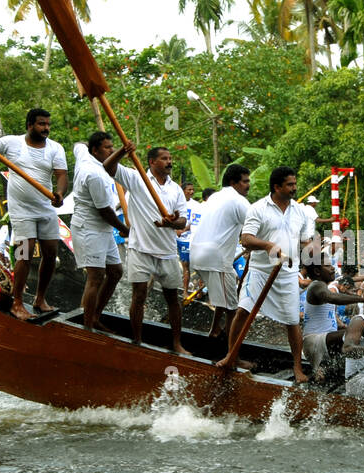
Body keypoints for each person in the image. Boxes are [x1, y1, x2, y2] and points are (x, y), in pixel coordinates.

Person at [220, 166, 313, 380]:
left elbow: (305, 241)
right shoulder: (258, 208)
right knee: (243, 311)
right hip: (261, 271)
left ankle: (298, 368)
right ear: (277, 187)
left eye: (294, 184)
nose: (294, 188)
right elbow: (246, 239)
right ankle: (231, 356)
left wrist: (314, 249)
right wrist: (268, 245)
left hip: (288, 274)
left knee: (292, 322)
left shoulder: (300, 211)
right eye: (290, 184)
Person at [104, 141, 189, 353]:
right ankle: (137, 341)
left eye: (170, 159)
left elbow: (183, 222)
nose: (169, 162)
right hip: (140, 248)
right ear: (152, 162)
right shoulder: (137, 178)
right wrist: (122, 152)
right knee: (139, 295)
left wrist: (171, 223)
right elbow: (107, 167)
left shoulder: (176, 189)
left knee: (173, 299)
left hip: (167, 250)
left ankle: (177, 343)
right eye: (164, 159)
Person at [0, 108, 69, 321]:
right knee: (24, 253)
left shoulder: (55, 148)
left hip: (46, 208)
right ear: (30, 125)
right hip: (21, 211)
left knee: (51, 253)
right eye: (42, 124)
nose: (46, 129)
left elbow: (61, 176)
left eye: (48, 125)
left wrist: (59, 193)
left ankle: (40, 299)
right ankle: (17, 302)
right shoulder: (10, 143)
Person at [71, 132, 129, 333]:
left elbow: (77, 144)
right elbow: (105, 211)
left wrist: (118, 153)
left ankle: (94, 316)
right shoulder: (95, 174)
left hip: (103, 230)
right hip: (89, 229)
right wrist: (125, 230)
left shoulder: (84, 154)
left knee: (116, 272)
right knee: (96, 276)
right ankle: (86, 328)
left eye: (113, 147)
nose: (111, 151)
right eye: (107, 148)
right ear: (95, 150)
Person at [190, 164, 252, 340]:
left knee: (225, 296)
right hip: (216, 259)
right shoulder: (238, 200)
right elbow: (257, 228)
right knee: (233, 306)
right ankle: (232, 355)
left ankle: (215, 330)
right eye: (245, 181)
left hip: (200, 254)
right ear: (234, 182)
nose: (248, 185)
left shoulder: (215, 196)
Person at [301, 248, 364, 381]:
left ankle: (323, 370)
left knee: (355, 336)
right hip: (314, 342)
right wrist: (362, 299)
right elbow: (331, 297)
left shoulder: (322, 285)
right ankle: (322, 369)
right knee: (356, 333)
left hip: (324, 341)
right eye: (328, 266)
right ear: (318, 271)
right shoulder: (317, 285)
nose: (332, 268)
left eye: (331, 265)